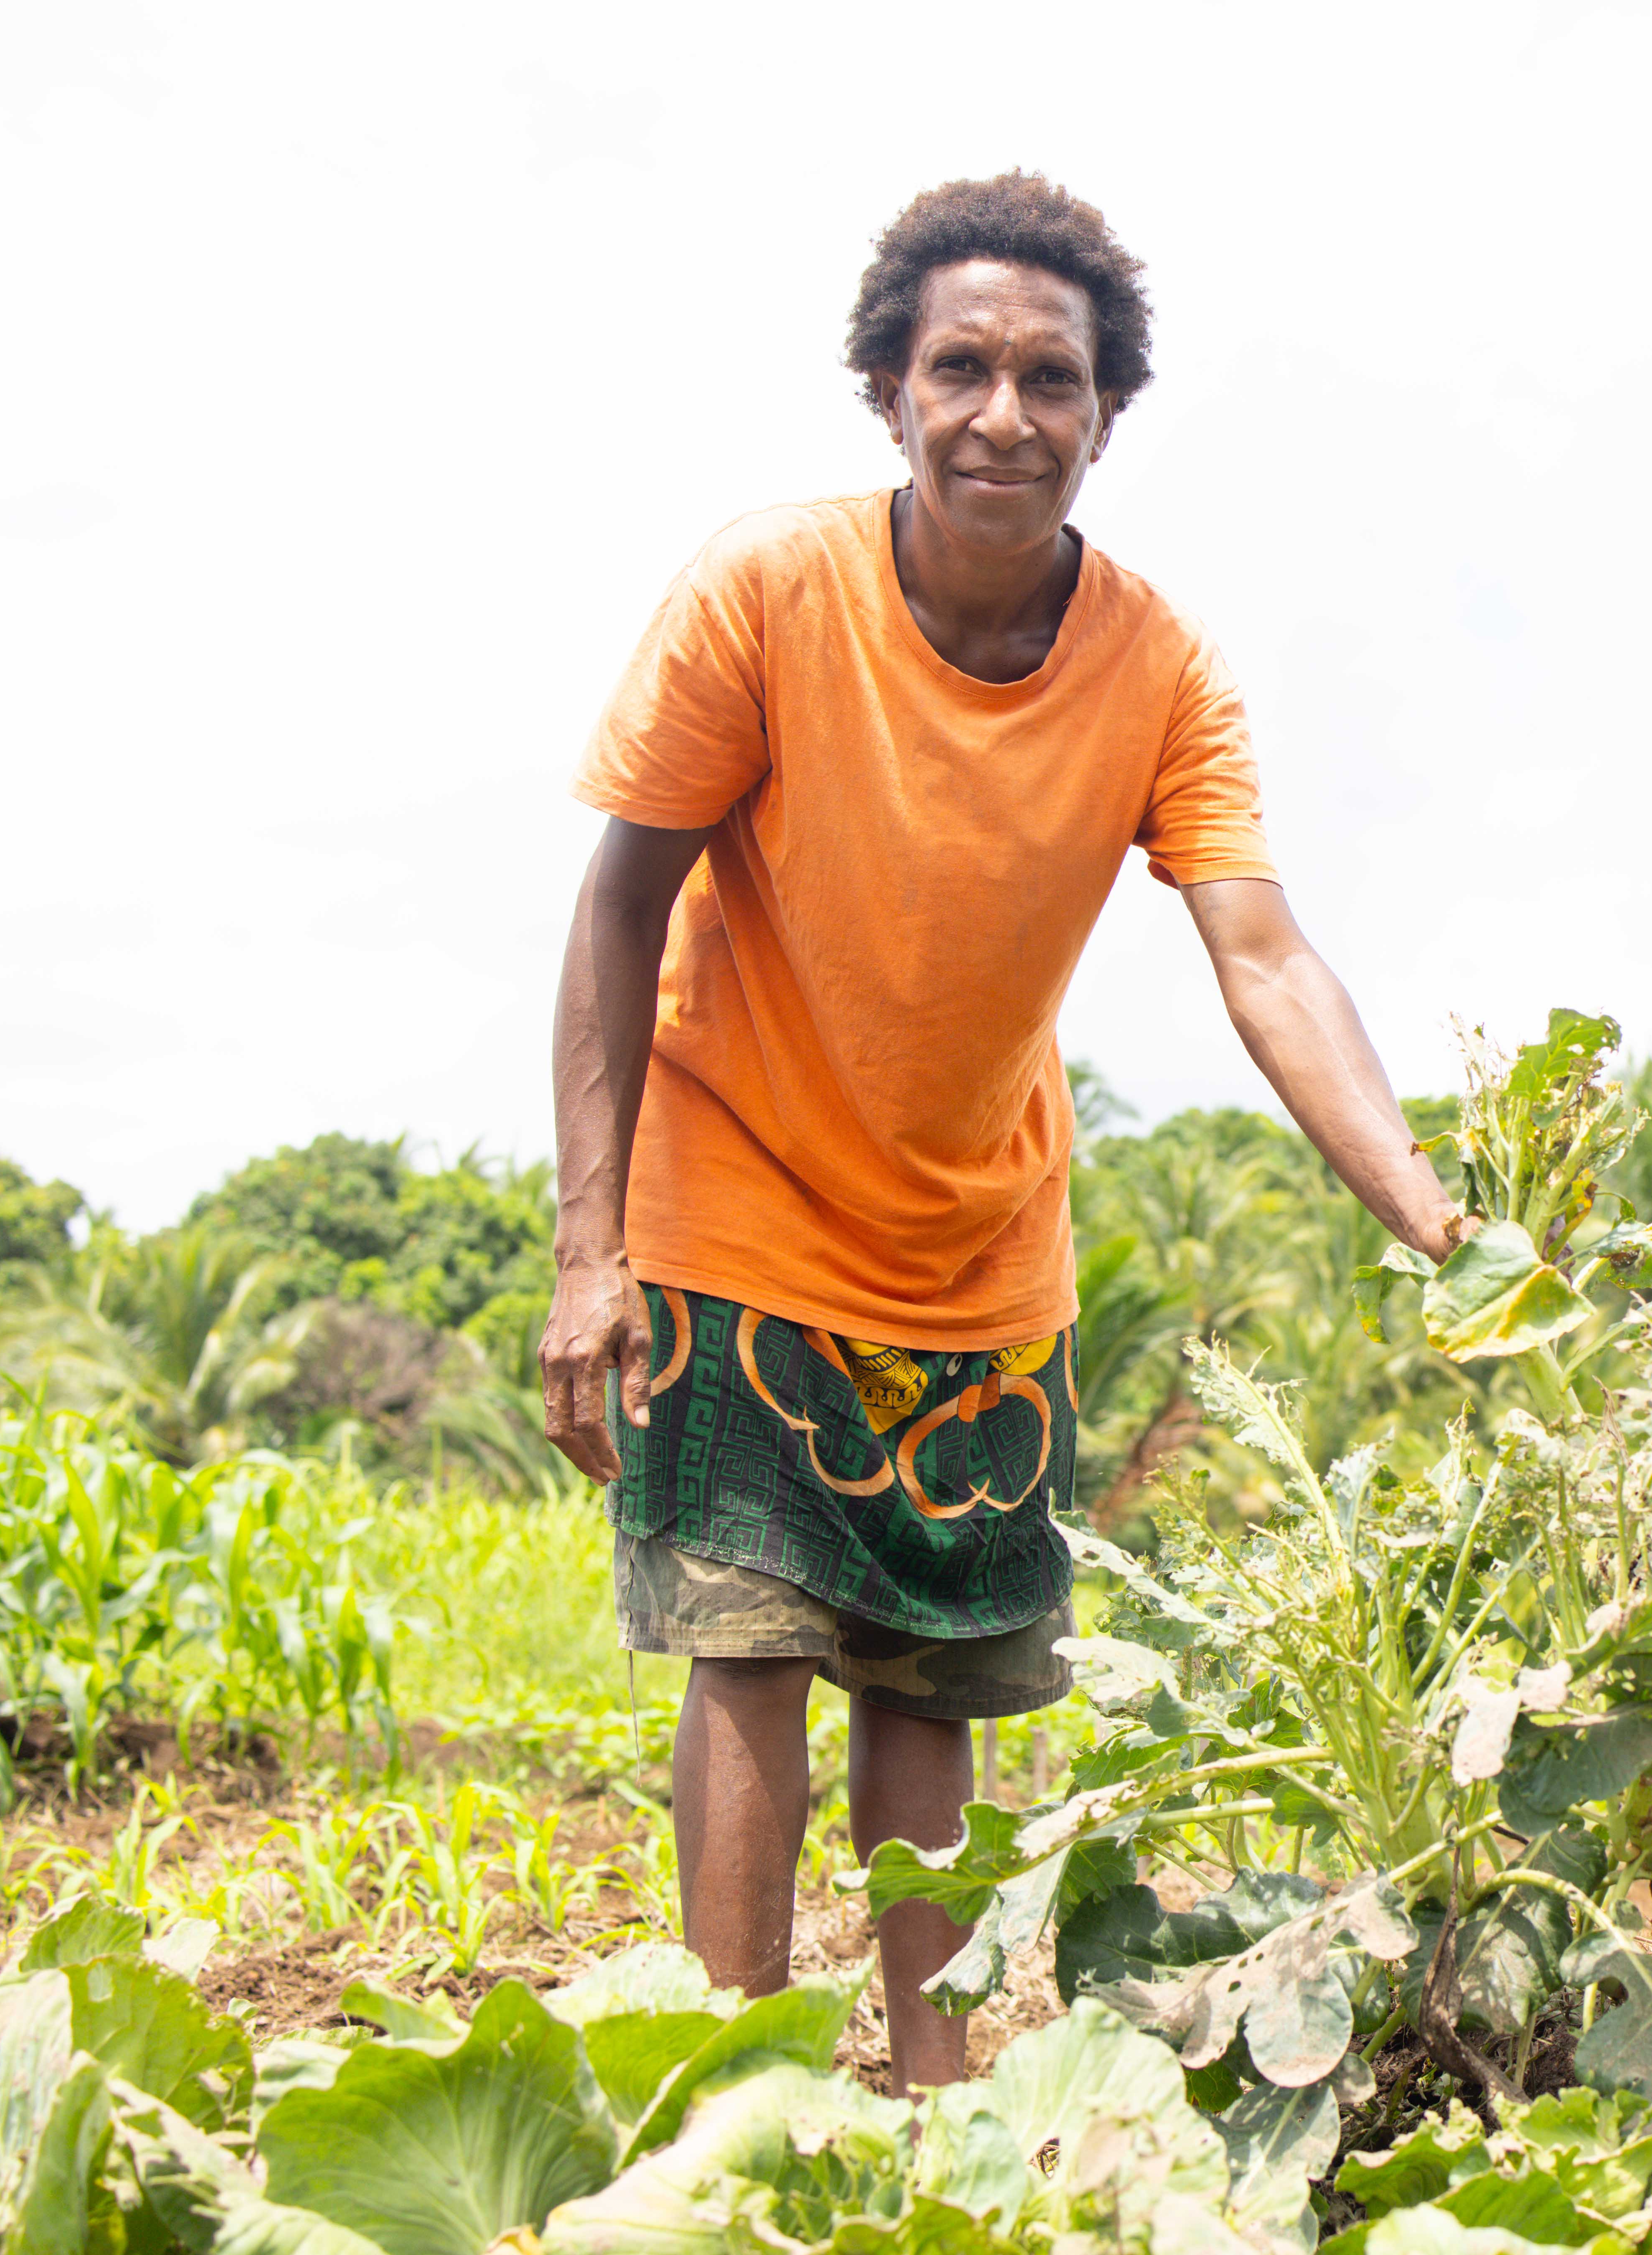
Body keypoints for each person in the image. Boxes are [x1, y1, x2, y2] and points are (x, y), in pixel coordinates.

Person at [537, 170, 1469, 2089]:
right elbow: (619, 906)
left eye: (1051, 378)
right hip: (734, 1188)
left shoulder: (1158, 667)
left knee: (933, 1681)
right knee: (753, 1642)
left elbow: (1263, 950)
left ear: (1103, 416)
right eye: (958, 367)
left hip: (976, 1239)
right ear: (888, 390)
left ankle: (937, 2088)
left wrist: (1426, 1207)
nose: (1003, 414)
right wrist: (587, 1246)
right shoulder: (764, 591)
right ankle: (737, 2089)